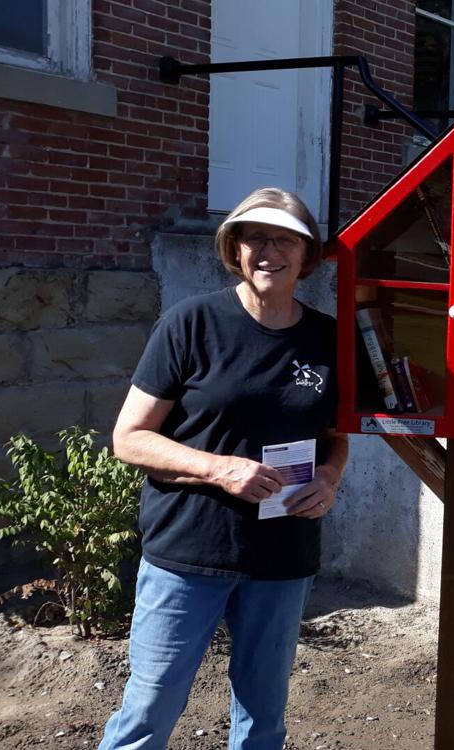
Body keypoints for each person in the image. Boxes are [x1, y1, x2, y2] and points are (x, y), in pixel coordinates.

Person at [98, 188, 347, 750]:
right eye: (255, 237)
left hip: (283, 554)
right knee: (149, 710)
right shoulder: (191, 323)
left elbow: (336, 438)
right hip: (189, 551)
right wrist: (219, 470)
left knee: (263, 718)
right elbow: (129, 438)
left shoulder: (330, 339)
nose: (269, 250)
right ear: (234, 248)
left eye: (286, 239)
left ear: (307, 256)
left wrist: (329, 478)